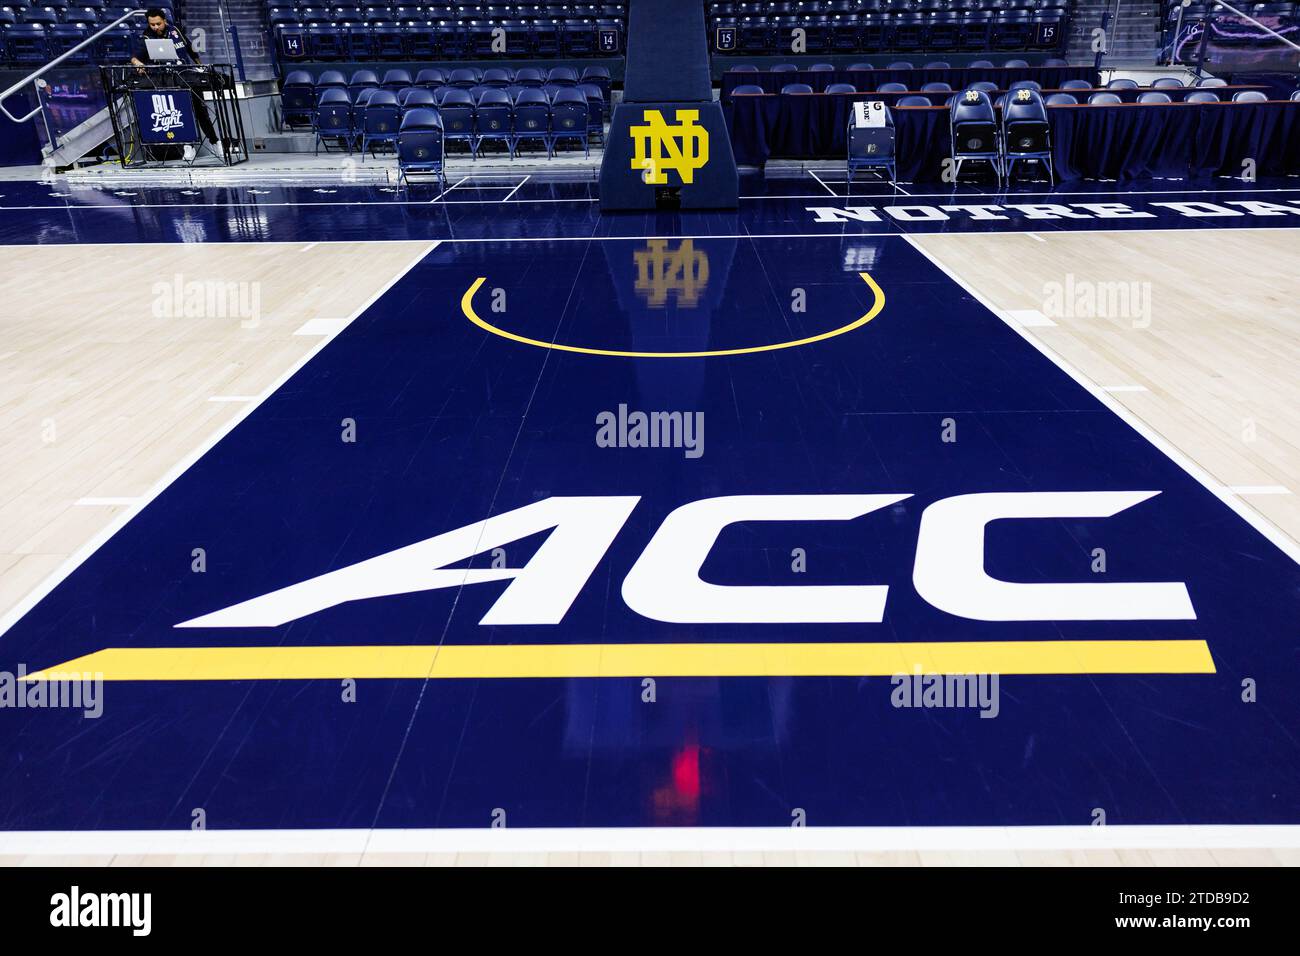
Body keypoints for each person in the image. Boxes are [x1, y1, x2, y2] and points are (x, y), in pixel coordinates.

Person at [130, 9, 233, 161]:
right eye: (152, 24)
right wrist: (138, 63)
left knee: (201, 112)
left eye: (158, 23)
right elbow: (134, 57)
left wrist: (200, 67)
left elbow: (191, 50)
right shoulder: (146, 37)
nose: (156, 27)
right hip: (167, 82)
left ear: (164, 21)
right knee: (181, 114)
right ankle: (188, 146)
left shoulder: (175, 30)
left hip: (187, 77)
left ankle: (215, 142)